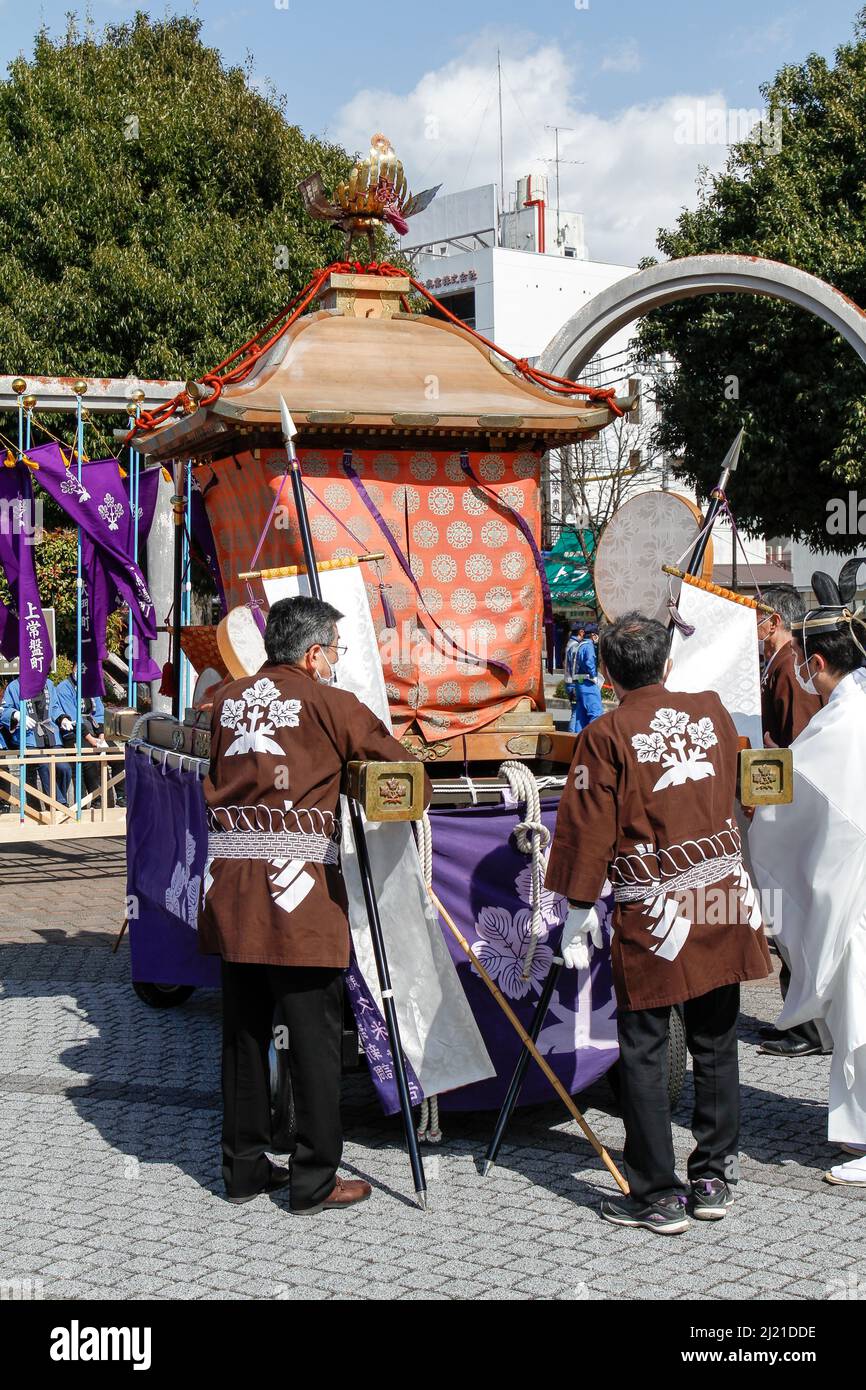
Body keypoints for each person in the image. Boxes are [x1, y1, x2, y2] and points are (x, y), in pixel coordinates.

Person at [199, 595, 430, 1212]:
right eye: (334, 652)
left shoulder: (224, 701)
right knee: (313, 1037)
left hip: (230, 886)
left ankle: (244, 1168)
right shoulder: (330, 703)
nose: (334, 663)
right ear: (314, 653)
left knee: (243, 1035)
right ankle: (313, 1178)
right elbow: (403, 774)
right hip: (296, 893)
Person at [546, 612, 771, 1235]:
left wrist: (578, 907)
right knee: (716, 1037)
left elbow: (587, 824)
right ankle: (713, 1174)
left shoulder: (607, 732)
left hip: (656, 905)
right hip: (720, 894)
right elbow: (740, 784)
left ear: (609, 674)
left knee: (644, 1049)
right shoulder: (712, 710)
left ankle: (657, 1194)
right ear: (667, 664)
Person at [750, 595, 866, 1188]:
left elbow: (789, 795)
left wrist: (755, 793)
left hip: (858, 895)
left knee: (861, 1007)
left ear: (817, 662)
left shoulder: (842, 720)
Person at [753, 585, 823, 1057]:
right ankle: (796, 1016)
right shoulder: (784, 665)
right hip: (782, 803)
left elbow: (797, 748)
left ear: (774, 621)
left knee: (795, 918)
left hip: (792, 807)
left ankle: (809, 1027)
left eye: (756, 618)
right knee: (787, 920)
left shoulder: (791, 668)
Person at [0, 676, 72, 804]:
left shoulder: (49, 684)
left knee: (64, 767)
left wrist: (63, 719)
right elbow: (4, 711)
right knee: (43, 764)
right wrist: (16, 715)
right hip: (28, 737)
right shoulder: (15, 686)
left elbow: (55, 707)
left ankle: (58, 801)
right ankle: (59, 804)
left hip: (50, 734)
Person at [54, 664, 107, 803]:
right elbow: (73, 718)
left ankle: (120, 797)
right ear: (73, 668)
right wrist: (92, 740)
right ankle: (86, 802)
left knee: (117, 754)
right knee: (86, 759)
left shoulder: (91, 684)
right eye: (79, 667)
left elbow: (100, 712)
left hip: (93, 727)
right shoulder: (63, 688)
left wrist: (101, 737)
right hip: (73, 731)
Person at [565, 621, 603, 733]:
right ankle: (594, 739)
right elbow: (589, 662)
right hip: (588, 683)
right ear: (593, 635)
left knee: (580, 715)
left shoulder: (577, 646)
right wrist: (594, 676)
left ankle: (576, 738)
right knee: (595, 712)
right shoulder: (588, 646)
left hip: (578, 683)